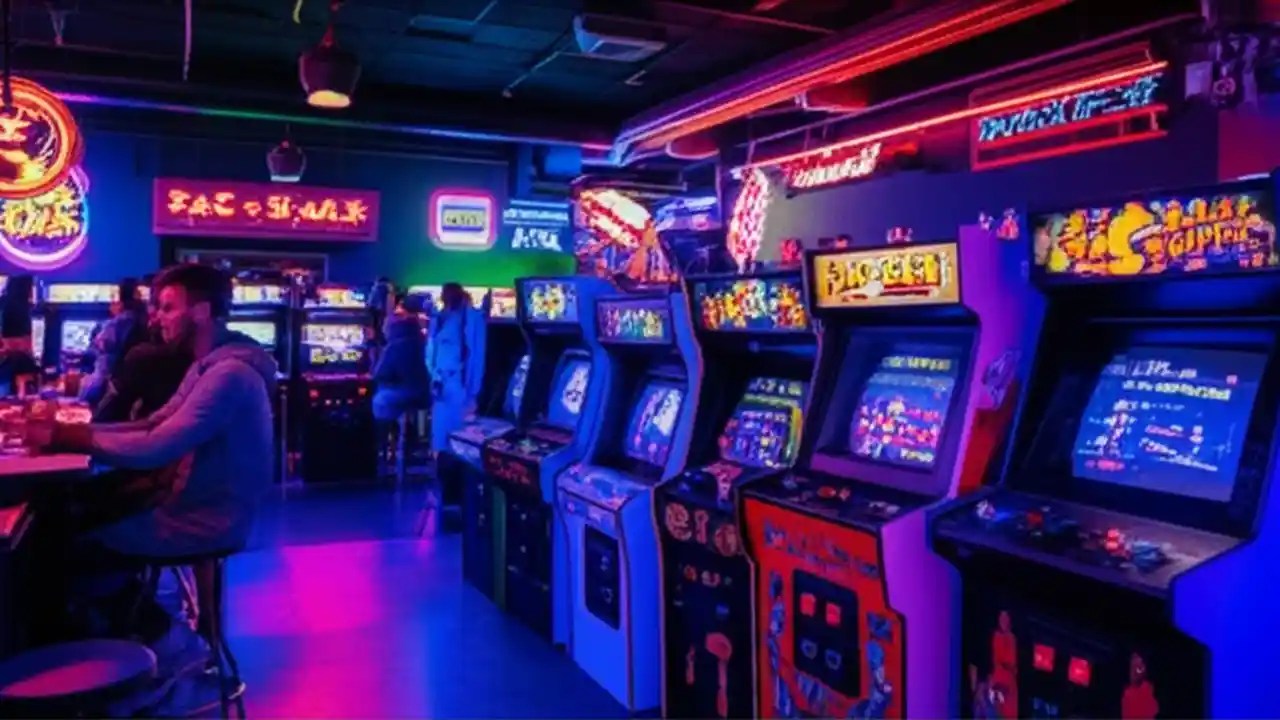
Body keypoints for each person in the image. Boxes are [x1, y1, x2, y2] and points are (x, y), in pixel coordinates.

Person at [24, 263, 277, 711]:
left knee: (58, 547)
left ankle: (170, 645)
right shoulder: (208, 365)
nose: (155, 317)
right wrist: (72, 431)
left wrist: (68, 436)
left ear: (200, 312)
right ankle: (111, 654)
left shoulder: (229, 375)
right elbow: (150, 425)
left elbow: (156, 446)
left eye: (166, 307)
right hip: (188, 504)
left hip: (204, 519)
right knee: (65, 522)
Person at [94, 280, 196, 422]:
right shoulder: (203, 360)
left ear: (200, 312)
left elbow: (107, 416)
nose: (159, 317)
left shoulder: (144, 356)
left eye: (168, 309)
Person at [426, 283, 484, 455]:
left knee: (459, 438)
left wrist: (473, 391)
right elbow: (430, 352)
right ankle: (442, 471)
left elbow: (476, 356)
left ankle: (454, 473)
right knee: (440, 436)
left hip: (459, 382)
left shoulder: (471, 319)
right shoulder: (438, 318)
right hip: (440, 382)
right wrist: (433, 377)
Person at [80, 278, 148, 406]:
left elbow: (102, 368)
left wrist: (82, 397)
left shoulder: (116, 325)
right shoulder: (143, 320)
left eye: (113, 300)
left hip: (109, 393)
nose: (110, 304)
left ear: (121, 302)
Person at [372, 292, 430, 423]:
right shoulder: (421, 337)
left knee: (379, 400)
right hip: (424, 389)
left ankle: (383, 440)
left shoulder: (397, 343)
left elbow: (380, 374)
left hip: (406, 391)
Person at [0, 274, 39, 394]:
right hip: (15, 363)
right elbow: (21, 343)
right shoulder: (19, 307)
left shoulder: (6, 303)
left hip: (8, 363)